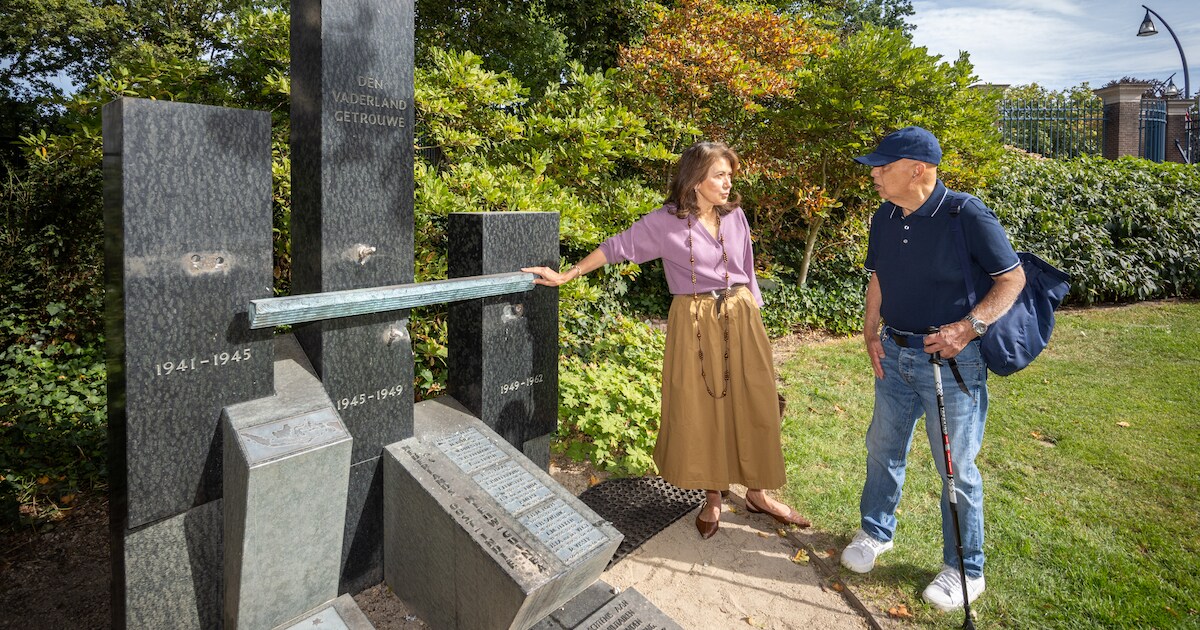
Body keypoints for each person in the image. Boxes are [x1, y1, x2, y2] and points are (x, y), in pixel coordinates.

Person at [522, 141, 810, 539]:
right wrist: (568, 275)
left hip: (741, 316)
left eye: (730, 175)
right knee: (704, 405)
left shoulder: (736, 216)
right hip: (694, 322)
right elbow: (615, 247)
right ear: (695, 181)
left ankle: (758, 493)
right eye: (719, 176)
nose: (728, 183)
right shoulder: (664, 222)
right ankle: (712, 497)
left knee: (753, 400)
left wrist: (754, 316)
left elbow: (748, 269)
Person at [840, 126, 1025, 611]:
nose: (875, 174)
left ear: (918, 169)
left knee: (955, 469)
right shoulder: (886, 215)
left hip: (950, 362)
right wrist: (870, 331)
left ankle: (965, 571)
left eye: (884, 166)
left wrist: (969, 328)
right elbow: (880, 274)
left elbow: (1013, 278)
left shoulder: (966, 214)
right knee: (883, 448)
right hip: (896, 353)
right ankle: (875, 534)